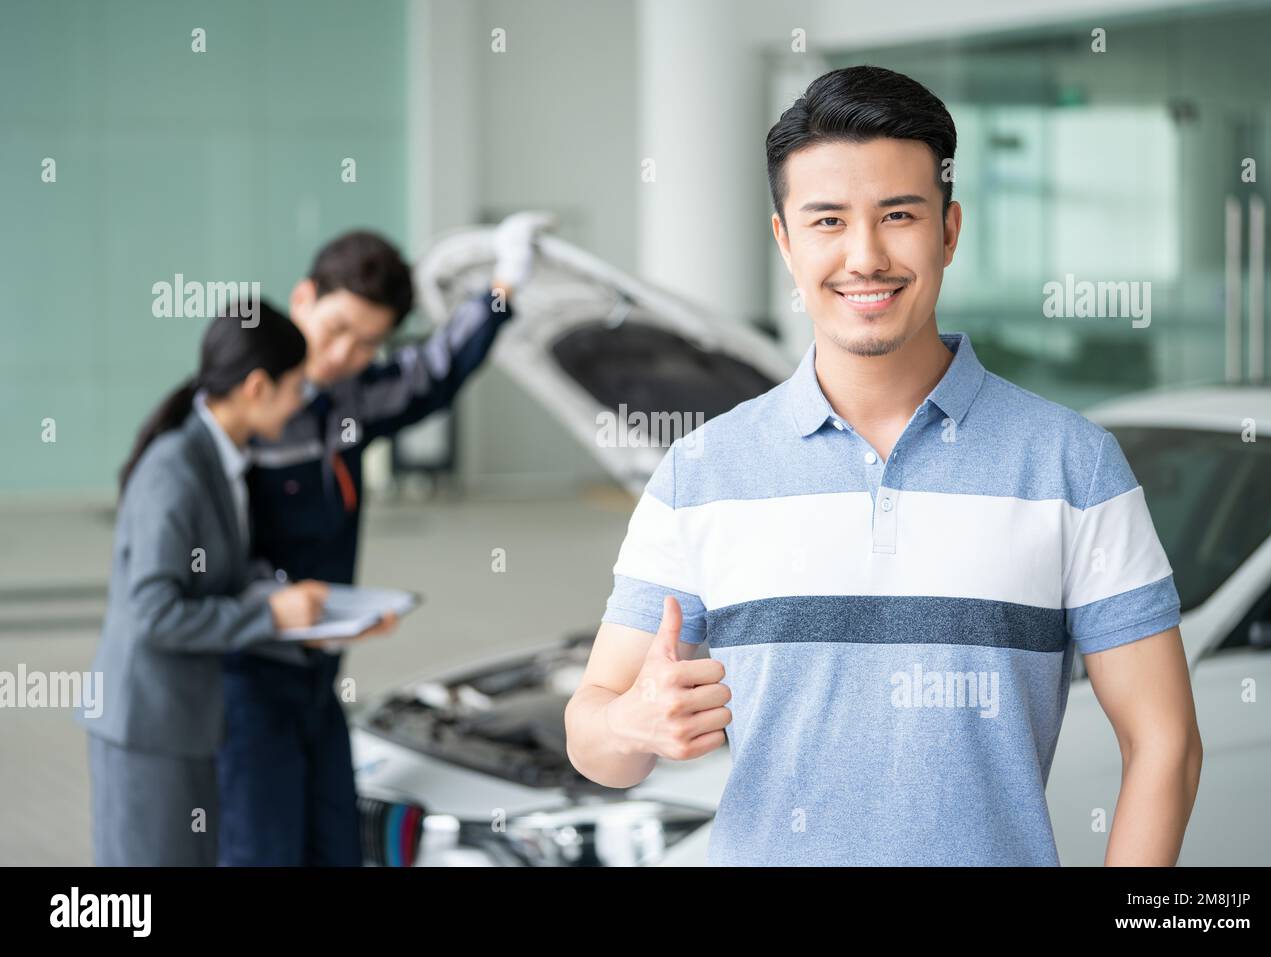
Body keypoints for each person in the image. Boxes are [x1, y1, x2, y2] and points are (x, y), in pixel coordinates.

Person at [565, 65, 1203, 866]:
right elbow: (595, 735)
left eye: (898, 214)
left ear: (949, 230)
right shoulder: (700, 472)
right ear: (785, 241)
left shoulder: (1072, 462)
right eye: (827, 220)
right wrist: (632, 724)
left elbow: (1166, 743)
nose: (864, 256)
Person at [218, 212, 553, 866]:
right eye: (338, 330)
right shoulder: (242, 411)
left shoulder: (346, 403)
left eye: (368, 344)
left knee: (335, 843)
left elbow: (433, 372)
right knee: (259, 850)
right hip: (243, 685)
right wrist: (266, 603)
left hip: (318, 678)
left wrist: (505, 283)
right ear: (302, 299)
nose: (345, 356)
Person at [82, 304, 330, 866]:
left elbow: (216, 576)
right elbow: (154, 612)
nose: (300, 404)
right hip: (145, 727)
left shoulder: (220, 459)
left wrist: (292, 604)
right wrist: (272, 617)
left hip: (182, 722)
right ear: (258, 387)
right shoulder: (177, 468)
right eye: (296, 388)